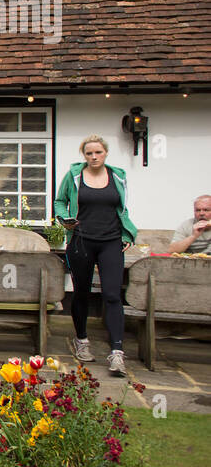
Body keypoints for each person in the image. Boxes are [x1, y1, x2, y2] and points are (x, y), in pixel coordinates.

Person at [53, 135, 137, 376]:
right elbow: (60, 201)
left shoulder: (118, 176)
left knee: (112, 295)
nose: (94, 157)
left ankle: (117, 352)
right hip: (81, 241)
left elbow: (123, 208)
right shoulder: (74, 176)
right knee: (81, 292)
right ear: (84, 155)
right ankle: (82, 340)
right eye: (89, 153)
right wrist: (64, 220)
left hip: (111, 241)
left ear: (105, 153)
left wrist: (127, 234)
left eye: (98, 152)